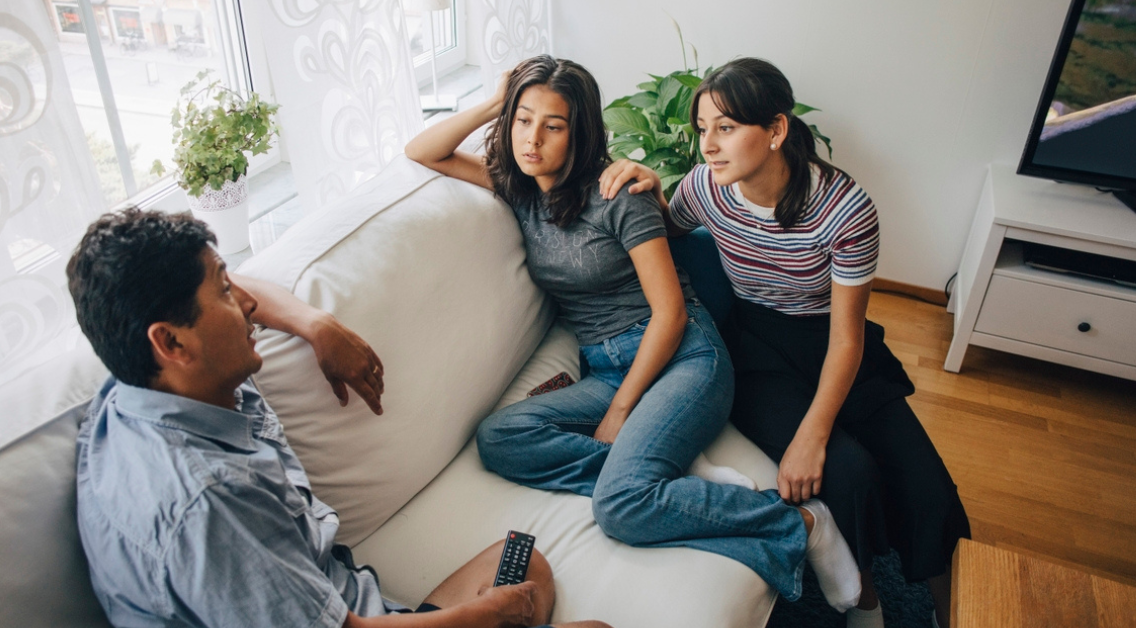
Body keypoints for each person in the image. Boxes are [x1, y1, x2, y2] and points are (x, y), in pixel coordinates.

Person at [405, 54, 861, 612]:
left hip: (683, 357)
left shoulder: (618, 194)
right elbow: (422, 151)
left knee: (620, 507)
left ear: (579, 133)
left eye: (553, 125)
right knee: (501, 439)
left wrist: (621, 411)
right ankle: (670, 475)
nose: (533, 140)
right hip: (605, 363)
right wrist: (501, 100)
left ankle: (804, 524)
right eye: (523, 121)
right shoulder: (519, 188)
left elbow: (669, 314)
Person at [67, 208, 611, 628]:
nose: (248, 304)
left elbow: (246, 290)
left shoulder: (144, 384)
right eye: (224, 291)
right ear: (171, 341)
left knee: (527, 565)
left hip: (343, 600)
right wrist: (488, 614)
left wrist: (316, 324)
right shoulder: (206, 502)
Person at [600, 57, 971, 628]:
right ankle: (866, 602)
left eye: (726, 128)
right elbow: (672, 227)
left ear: (776, 130)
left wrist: (809, 435)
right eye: (702, 129)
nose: (708, 146)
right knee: (846, 472)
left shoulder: (846, 210)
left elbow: (846, 338)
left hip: (833, 342)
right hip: (756, 346)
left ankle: (958, 613)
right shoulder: (706, 188)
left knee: (926, 488)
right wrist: (651, 189)